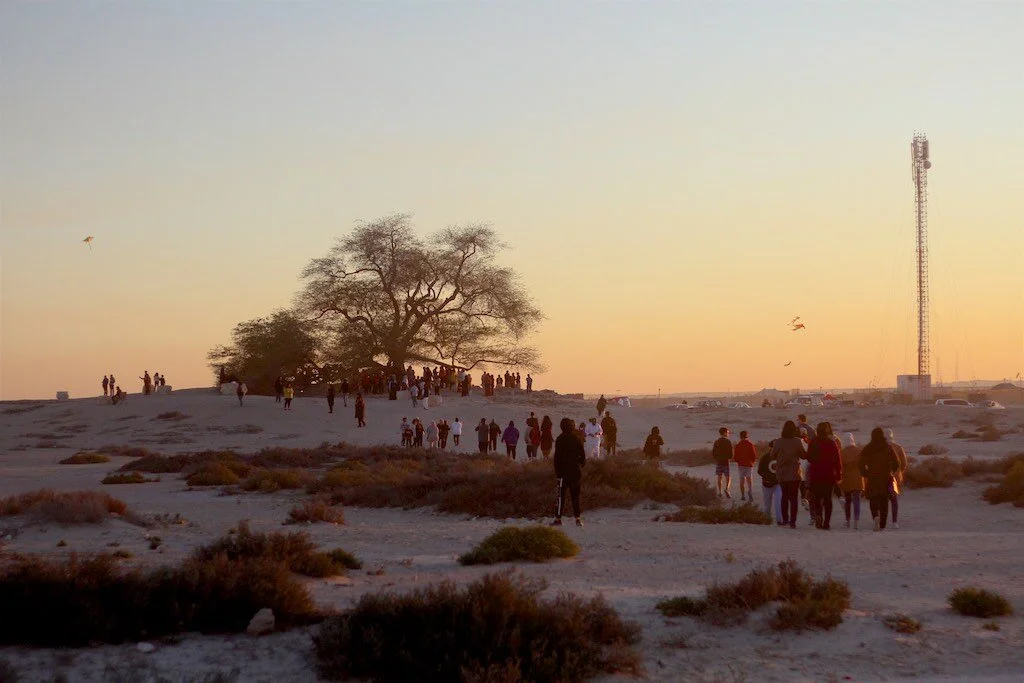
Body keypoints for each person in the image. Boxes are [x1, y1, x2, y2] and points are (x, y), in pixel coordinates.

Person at [859, 427, 901, 531]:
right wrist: (891, 471)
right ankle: (882, 524)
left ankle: (875, 517)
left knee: (873, 499)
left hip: (872, 477)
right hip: (885, 477)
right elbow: (897, 462)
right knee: (884, 501)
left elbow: (860, 463)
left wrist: (866, 473)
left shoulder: (868, 448)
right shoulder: (888, 447)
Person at [768, 420, 807, 529]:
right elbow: (803, 456)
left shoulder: (779, 442)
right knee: (794, 498)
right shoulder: (798, 441)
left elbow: (772, 456)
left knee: (784, 497)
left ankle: (785, 519)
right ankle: (793, 521)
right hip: (795, 473)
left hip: (782, 473)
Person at [805, 423, 843, 530]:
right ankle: (826, 523)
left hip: (815, 474)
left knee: (817, 499)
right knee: (828, 500)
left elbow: (809, 457)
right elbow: (838, 461)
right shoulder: (831, 443)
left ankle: (818, 515)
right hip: (829, 475)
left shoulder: (813, 442)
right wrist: (839, 474)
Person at [552, 417, 586, 527]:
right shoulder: (576, 438)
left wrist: (557, 471)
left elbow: (556, 458)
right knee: (575, 496)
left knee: (561, 497)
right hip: (575, 472)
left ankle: (558, 519)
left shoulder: (560, 439)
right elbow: (583, 455)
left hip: (563, 473)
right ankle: (578, 519)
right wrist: (580, 465)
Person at [886, 429, 909, 529]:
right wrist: (899, 473)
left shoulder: (880, 448)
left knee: (883, 500)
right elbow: (904, 463)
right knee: (894, 500)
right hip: (895, 478)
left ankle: (883, 520)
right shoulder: (898, 447)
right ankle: (894, 521)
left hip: (883, 477)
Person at [840, 433, 864, 529]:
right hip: (858, 477)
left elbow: (840, 466)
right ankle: (856, 520)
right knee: (857, 500)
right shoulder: (859, 450)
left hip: (846, 478)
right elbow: (863, 464)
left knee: (848, 500)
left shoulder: (841, 452)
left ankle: (847, 519)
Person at [757, 442, 783, 524]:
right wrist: (766, 477)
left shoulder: (781, 457)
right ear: (770, 447)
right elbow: (760, 470)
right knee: (767, 504)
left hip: (778, 483)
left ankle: (779, 520)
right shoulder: (765, 458)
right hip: (767, 484)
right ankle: (767, 519)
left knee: (778, 501)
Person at [733, 430, 758, 502]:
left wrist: (738, 461)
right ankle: (750, 492)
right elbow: (754, 455)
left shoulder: (738, 445)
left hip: (741, 464)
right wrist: (752, 462)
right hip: (749, 464)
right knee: (749, 480)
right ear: (747, 436)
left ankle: (743, 495)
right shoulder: (750, 444)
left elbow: (735, 456)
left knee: (742, 480)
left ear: (740, 437)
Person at [712, 427, 733, 499]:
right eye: (727, 432)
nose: (728, 433)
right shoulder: (728, 441)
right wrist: (729, 457)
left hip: (719, 461)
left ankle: (720, 492)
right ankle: (727, 489)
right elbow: (731, 453)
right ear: (724, 433)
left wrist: (717, 458)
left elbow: (713, 452)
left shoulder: (717, 441)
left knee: (719, 477)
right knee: (728, 477)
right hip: (726, 461)